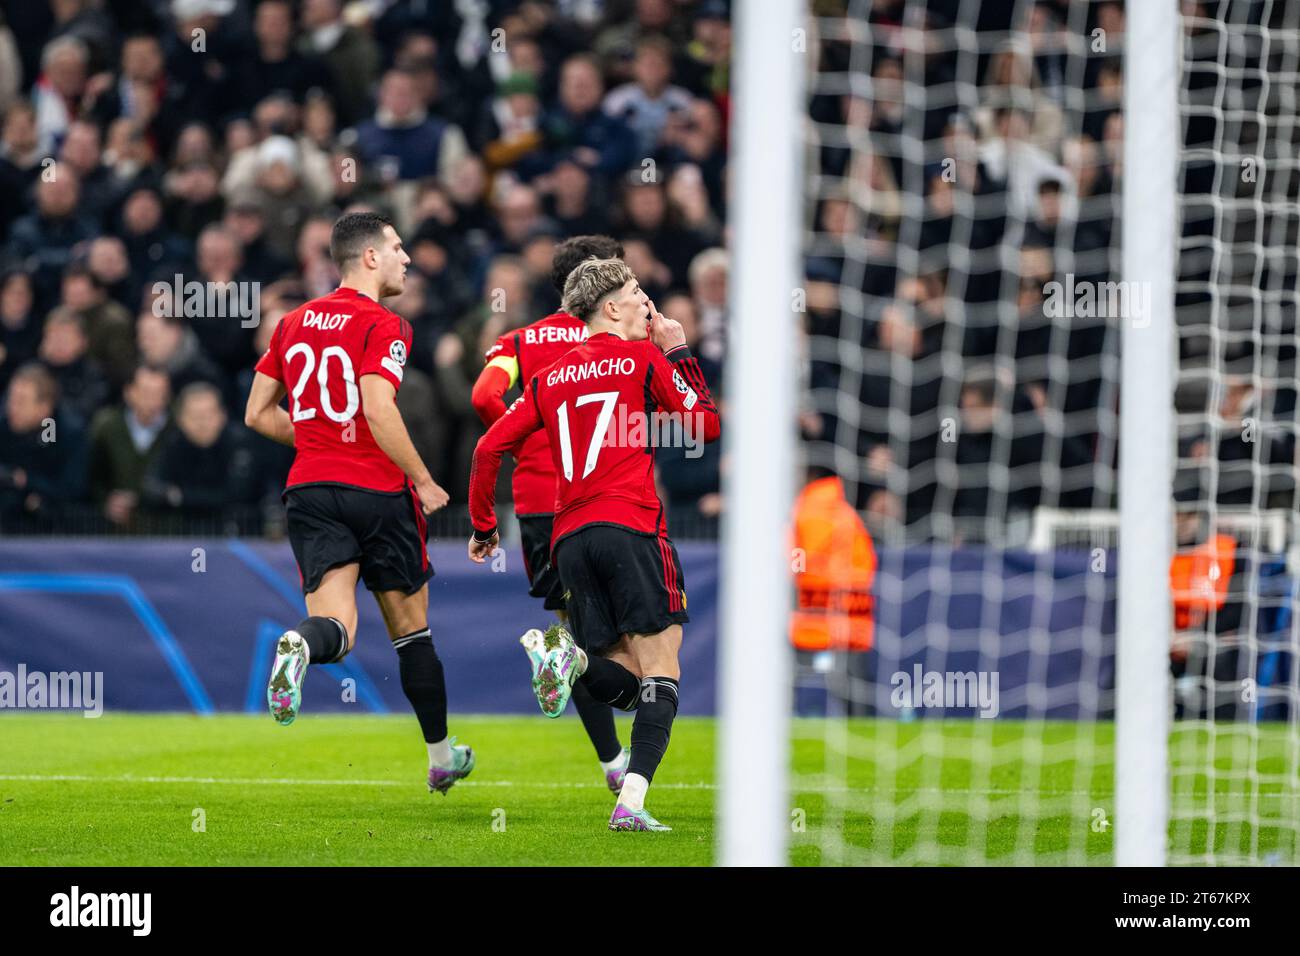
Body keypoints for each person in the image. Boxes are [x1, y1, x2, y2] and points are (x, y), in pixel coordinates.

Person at [467, 258, 720, 831]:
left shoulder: (550, 376)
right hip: (630, 526)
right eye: (635, 293)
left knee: (627, 683)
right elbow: (705, 426)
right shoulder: (642, 357)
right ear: (610, 307)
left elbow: (487, 449)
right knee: (663, 671)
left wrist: (484, 527)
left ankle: (571, 660)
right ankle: (630, 804)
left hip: (570, 540)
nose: (646, 303)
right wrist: (679, 351)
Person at [243, 211, 472, 796]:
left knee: (335, 625)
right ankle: (442, 758)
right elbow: (376, 407)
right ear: (369, 257)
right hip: (376, 490)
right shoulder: (386, 324)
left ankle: (299, 644)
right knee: (412, 633)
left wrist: (320, 434)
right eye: (397, 248)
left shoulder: (292, 322)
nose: (406, 258)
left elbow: (257, 413)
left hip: (310, 490)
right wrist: (422, 477)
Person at [470, 234, 630, 794]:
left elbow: (485, 395)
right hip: (605, 501)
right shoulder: (617, 343)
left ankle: (613, 764)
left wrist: (526, 442)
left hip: (539, 504)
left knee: (576, 632)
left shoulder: (520, 339)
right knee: (622, 641)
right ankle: (618, 759)